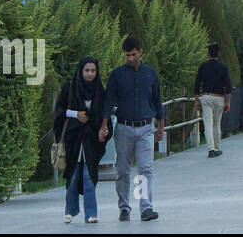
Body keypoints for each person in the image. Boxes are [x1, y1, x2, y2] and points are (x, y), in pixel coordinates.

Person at [99, 35, 163, 222]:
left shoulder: (150, 74)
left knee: (145, 168)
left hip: (145, 127)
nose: (130, 59)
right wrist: (103, 125)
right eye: (127, 55)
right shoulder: (116, 75)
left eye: (133, 55)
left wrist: (161, 125)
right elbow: (108, 101)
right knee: (123, 170)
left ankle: (146, 207)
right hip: (124, 127)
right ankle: (124, 207)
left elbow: (157, 100)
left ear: (140, 52)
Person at [56, 56, 112, 224]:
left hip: (91, 141)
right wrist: (76, 115)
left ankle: (91, 213)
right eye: (86, 70)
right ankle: (70, 210)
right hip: (73, 139)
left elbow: (105, 114)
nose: (89, 74)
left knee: (89, 177)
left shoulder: (100, 91)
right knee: (72, 176)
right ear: (81, 71)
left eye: (93, 71)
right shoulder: (70, 88)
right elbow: (59, 110)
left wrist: (104, 128)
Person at [194, 43, 233, 158]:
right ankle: (216, 147)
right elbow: (228, 86)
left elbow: (197, 84)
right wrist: (228, 102)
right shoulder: (223, 68)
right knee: (216, 124)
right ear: (218, 54)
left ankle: (210, 149)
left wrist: (197, 100)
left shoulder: (203, 66)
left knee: (208, 124)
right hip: (219, 97)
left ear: (208, 54)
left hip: (206, 97)